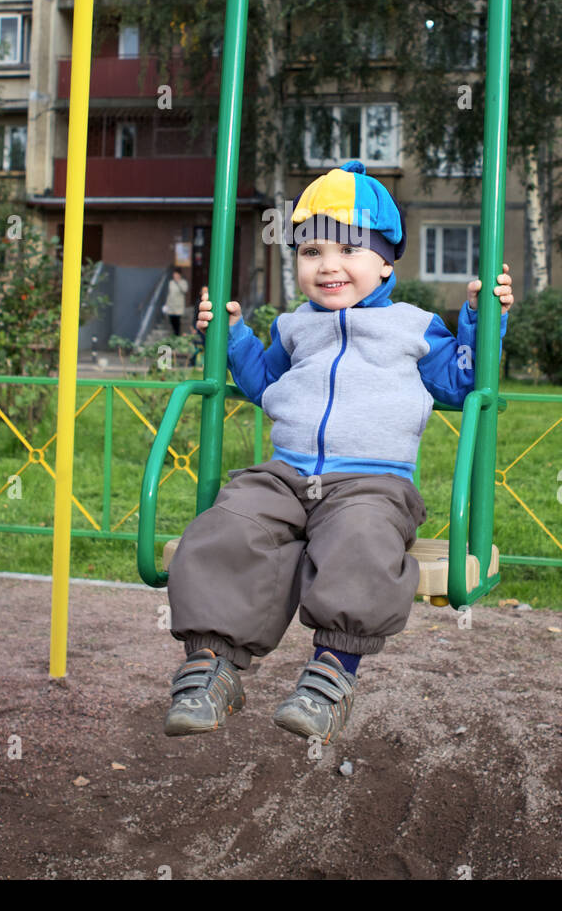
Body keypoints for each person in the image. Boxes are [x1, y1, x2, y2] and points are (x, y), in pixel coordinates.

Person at [163, 159, 513, 744]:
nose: (328, 265)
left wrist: (482, 320)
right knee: (227, 523)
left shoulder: (413, 327)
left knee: (361, 541)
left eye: (349, 250)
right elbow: (265, 383)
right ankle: (211, 669)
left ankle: (330, 677)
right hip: (286, 477)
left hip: (373, 485)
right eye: (310, 252)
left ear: (384, 261)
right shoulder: (295, 328)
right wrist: (232, 337)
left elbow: (460, 381)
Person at [161, 268, 188, 336]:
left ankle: (177, 334)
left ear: (179, 275)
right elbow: (169, 294)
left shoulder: (183, 282)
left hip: (178, 305)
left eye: (176, 274)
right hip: (171, 305)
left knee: (177, 321)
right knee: (172, 319)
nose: (175, 275)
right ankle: (175, 333)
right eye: (174, 274)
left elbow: (184, 290)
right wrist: (166, 304)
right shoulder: (171, 282)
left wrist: (178, 282)